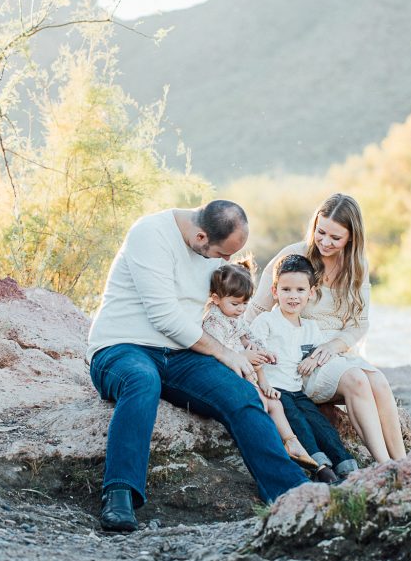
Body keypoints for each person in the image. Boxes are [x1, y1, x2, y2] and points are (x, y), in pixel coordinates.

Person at [87, 200, 309, 532]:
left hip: (181, 356)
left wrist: (246, 348)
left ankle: (291, 494)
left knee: (240, 394)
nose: (226, 263)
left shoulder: (211, 246)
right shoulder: (151, 234)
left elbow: (230, 303)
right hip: (121, 347)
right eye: (222, 255)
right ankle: (119, 494)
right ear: (201, 236)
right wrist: (224, 353)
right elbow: (164, 316)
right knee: (142, 381)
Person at [246, 194, 407, 464]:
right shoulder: (293, 256)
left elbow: (359, 323)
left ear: (351, 238)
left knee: (378, 380)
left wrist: (333, 346)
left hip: (336, 353)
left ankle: (402, 461)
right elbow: (257, 310)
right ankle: (384, 465)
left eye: (335, 237)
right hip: (300, 359)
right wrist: (237, 350)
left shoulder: (357, 266)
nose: (325, 242)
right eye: (320, 232)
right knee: (357, 379)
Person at [201, 259, 332, 479]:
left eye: (245, 304)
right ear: (215, 299)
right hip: (227, 372)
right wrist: (246, 354)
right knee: (262, 404)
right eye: (236, 304)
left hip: (248, 371)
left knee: (276, 404)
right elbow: (218, 354)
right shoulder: (213, 322)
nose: (241, 310)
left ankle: (292, 443)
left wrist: (261, 352)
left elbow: (249, 338)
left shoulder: (236, 317)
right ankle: (275, 447)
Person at [249, 254, 358, 482]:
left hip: (298, 390)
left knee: (320, 424)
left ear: (311, 292)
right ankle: (320, 467)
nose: (293, 296)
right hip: (275, 390)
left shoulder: (310, 328)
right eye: (286, 289)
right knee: (299, 424)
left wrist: (312, 360)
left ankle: (346, 464)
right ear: (275, 290)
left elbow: (321, 353)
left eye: (300, 290)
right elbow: (253, 353)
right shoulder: (266, 322)